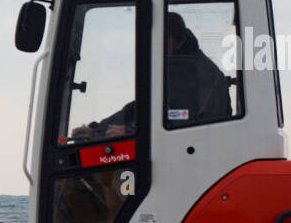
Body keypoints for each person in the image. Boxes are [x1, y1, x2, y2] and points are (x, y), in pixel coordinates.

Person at [69, 11, 231, 140]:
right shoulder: (175, 70)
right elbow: (141, 108)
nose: (154, 46)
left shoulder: (203, 75)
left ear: (178, 39)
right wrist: (97, 130)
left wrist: (132, 131)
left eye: (160, 39)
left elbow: (194, 124)